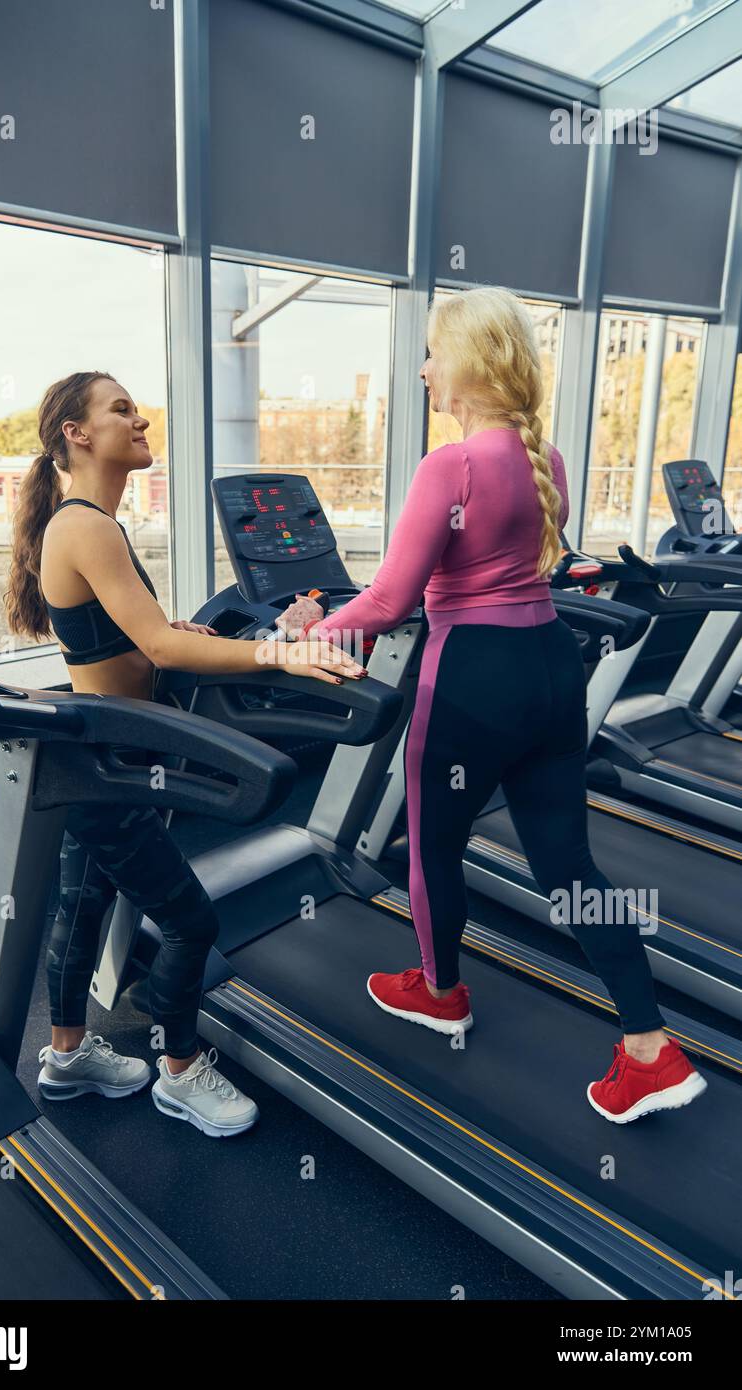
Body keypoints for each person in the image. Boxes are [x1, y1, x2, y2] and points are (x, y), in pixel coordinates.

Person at [275, 287, 706, 1125]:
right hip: (550, 670)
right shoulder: (547, 460)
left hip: (472, 676)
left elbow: (394, 599)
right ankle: (650, 1045)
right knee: (570, 866)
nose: (427, 371)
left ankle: (440, 993)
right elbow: (517, 567)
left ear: (466, 363)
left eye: (433, 354)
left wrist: (308, 633)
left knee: (433, 844)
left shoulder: (452, 464)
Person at [5, 370, 366, 1137]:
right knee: (189, 921)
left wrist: (222, 637)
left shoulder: (89, 522)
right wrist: (280, 656)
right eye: (121, 410)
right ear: (77, 432)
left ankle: (66, 1056)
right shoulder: (86, 525)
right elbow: (157, 643)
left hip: (104, 749)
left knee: (84, 905)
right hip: (110, 760)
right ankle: (178, 1071)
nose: (140, 421)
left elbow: (143, 646)